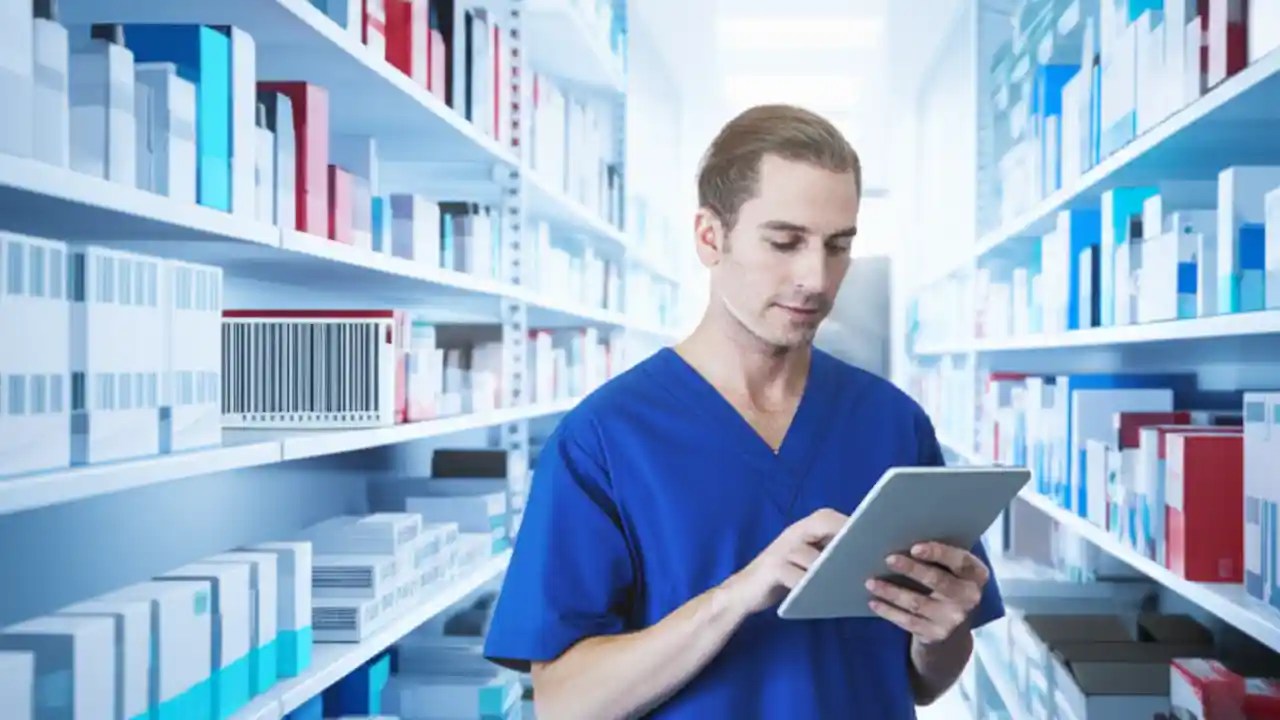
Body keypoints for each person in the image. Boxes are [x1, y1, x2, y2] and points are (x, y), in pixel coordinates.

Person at [483, 104, 1004, 719]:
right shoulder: (606, 438)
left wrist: (941, 634)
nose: (816, 277)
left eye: (838, 246)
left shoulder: (892, 423)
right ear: (710, 236)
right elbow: (564, 704)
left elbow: (923, 683)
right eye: (784, 242)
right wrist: (735, 597)